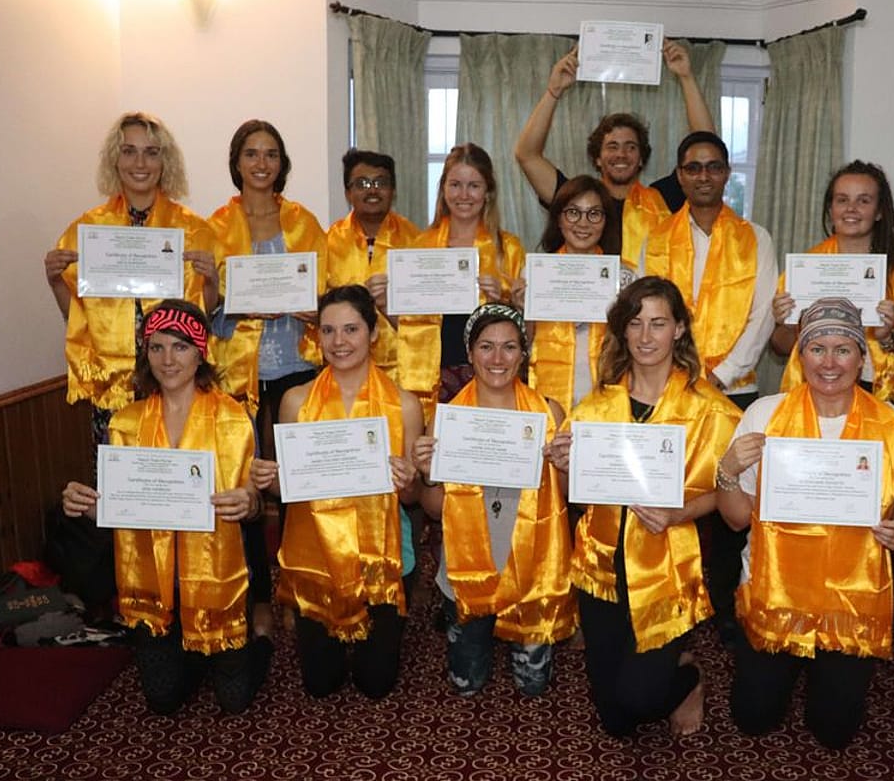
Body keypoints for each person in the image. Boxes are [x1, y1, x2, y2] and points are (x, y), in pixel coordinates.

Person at [716, 297, 894, 748]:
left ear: (862, 356)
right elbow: (735, 520)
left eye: (843, 349)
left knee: (833, 732)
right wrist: (728, 470)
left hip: (850, 599)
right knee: (753, 718)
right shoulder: (764, 415)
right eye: (817, 349)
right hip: (777, 590)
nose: (829, 363)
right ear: (800, 355)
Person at [548, 276, 740, 736]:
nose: (647, 336)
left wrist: (679, 513)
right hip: (601, 567)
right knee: (616, 721)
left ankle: (689, 677)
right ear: (622, 331)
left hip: (664, 567)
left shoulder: (710, 410)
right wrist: (563, 464)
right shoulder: (596, 405)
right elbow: (577, 493)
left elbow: (724, 493)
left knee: (641, 699)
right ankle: (666, 673)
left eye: (659, 323)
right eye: (636, 324)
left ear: (678, 329)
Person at [60, 300, 267, 715]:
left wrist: (250, 501)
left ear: (200, 351)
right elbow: (116, 508)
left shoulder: (234, 417)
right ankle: (190, 646)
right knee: (163, 699)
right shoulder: (126, 422)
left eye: (180, 346)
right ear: (145, 353)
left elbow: (257, 505)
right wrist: (82, 504)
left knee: (234, 700)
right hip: (152, 582)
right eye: (157, 347)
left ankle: (258, 641)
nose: (168, 359)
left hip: (217, 576)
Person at [249, 285, 423, 698]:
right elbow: (285, 489)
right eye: (328, 331)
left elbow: (414, 499)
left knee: (375, 683)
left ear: (373, 333)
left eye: (351, 329)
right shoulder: (295, 401)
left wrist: (408, 479)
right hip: (317, 553)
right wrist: (266, 478)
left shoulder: (404, 404)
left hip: (383, 554)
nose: (339, 342)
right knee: (320, 685)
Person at [642, 130, 776, 647]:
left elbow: (763, 314)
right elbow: (650, 309)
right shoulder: (656, 237)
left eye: (713, 166)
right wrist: (681, 371)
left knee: (726, 497)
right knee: (677, 491)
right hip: (670, 386)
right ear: (679, 176)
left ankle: (720, 603)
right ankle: (675, 597)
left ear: (727, 174)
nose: (703, 176)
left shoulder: (754, 236)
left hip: (734, 388)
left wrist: (719, 374)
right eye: (693, 168)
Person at [410, 304, 575, 697]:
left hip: (532, 566)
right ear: (469, 352)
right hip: (466, 569)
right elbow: (434, 509)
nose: (498, 359)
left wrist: (565, 466)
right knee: (467, 684)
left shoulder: (549, 412)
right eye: (486, 347)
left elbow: (565, 500)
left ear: (524, 353)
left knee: (534, 687)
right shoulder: (447, 418)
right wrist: (429, 474)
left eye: (509, 347)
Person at [209, 119, 328, 639]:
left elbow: (327, 294)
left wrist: (314, 308)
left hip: (299, 370)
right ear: (236, 162)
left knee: (301, 485)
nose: (262, 163)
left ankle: (305, 586)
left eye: (272, 154)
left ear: (282, 164)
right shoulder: (211, 226)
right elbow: (204, 310)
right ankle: (259, 595)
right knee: (249, 488)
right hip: (239, 377)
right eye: (252, 154)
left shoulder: (303, 221)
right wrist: (218, 290)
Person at [44, 112, 219, 446]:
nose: (140, 162)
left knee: (170, 474)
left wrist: (210, 282)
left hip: (173, 378)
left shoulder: (195, 231)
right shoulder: (87, 231)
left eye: (152, 152)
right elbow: (75, 317)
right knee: (120, 480)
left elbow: (203, 316)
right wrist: (55, 282)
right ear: (115, 159)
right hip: (113, 384)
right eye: (129, 151)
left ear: (164, 161)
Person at [514, 41, 716, 268]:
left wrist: (686, 77)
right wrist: (553, 91)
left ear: (641, 158)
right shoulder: (577, 199)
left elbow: (706, 147)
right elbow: (527, 154)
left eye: (631, 147)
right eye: (612, 146)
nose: (621, 154)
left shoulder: (664, 198)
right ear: (597, 157)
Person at [771, 161, 894, 406]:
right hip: (817, 388)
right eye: (842, 200)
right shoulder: (806, 266)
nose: (851, 209)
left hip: (885, 393)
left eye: (863, 201)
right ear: (831, 209)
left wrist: (889, 336)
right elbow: (780, 346)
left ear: (879, 211)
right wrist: (786, 323)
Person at [398, 144, 525, 419]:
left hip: (489, 371)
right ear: (443, 189)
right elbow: (405, 324)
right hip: (431, 371)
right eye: (455, 184)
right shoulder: (419, 248)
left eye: (474, 186)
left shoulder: (509, 249)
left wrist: (503, 300)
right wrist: (387, 303)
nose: (464, 195)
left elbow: (525, 329)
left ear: (488, 192)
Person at [514, 175, 632, 415]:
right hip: (548, 396)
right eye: (573, 212)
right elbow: (523, 347)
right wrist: (523, 311)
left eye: (594, 214)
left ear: (606, 221)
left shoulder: (624, 278)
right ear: (558, 218)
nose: (583, 223)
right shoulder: (535, 274)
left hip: (608, 397)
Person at [325, 149, 421, 378]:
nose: (373, 190)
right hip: (344, 369)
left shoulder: (419, 243)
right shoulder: (327, 243)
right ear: (348, 192)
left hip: (404, 372)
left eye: (381, 182)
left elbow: (429, 319)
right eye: (362, 184)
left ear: (393, 190)